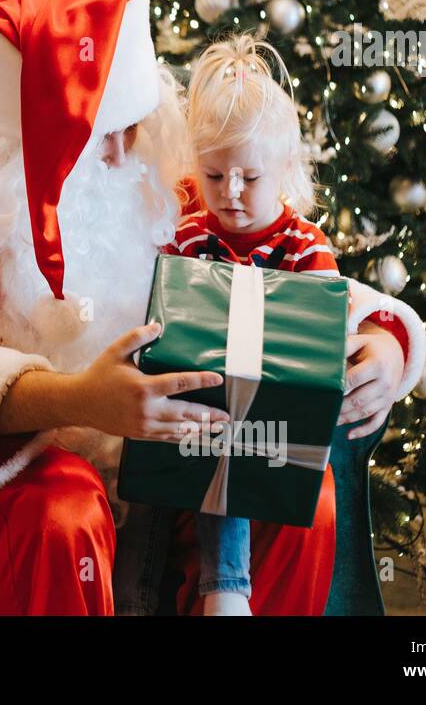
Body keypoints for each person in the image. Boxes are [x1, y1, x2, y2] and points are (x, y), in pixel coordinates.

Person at [0, 0, 426, 615]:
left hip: (181, 456)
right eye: (103, 131)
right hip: (35, 466)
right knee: (59, 517)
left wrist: (380, 341)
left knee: (300, 499)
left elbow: (270, 259)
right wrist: (81, 401)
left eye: (137, 121)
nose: (128, 148)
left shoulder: (151, 160)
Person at [160, 32, 350, 616]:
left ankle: (226, 588)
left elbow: (324, 337)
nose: (232, 195)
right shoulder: (189, 235)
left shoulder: (305, 246)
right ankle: (171, 596)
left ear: (287, 168)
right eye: (214, 178)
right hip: (197, 413)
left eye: (250, 177)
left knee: (238, 437)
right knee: (212, 432)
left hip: (277, 419)